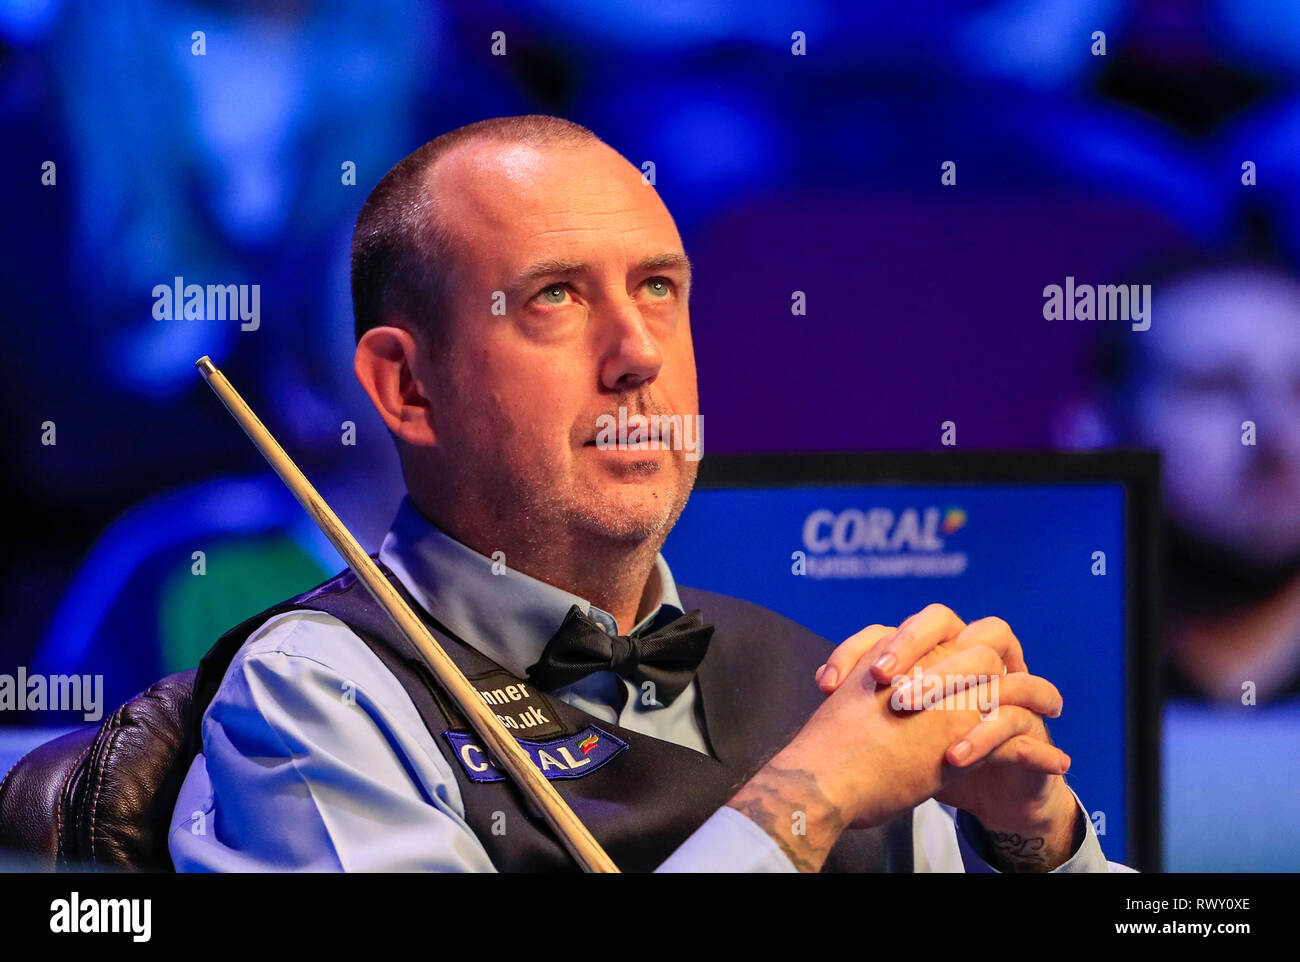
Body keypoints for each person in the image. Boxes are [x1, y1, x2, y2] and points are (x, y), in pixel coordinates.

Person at [169, 115, 1123, 873]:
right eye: (555, 297)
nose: (639, 355)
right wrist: (805, 799)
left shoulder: (817, 681)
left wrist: (1037, 844)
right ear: (408, 389)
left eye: (659, 288)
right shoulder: (315, 693)